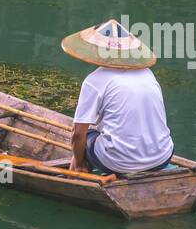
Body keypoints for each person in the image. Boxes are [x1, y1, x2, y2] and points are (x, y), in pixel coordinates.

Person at [61, 19, 174, 176]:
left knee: (87, 136)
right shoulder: (148, 74)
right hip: (162, 157)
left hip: (118, 163)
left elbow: (78, 133)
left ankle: (81, 167)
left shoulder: (94, 80)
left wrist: (78, 162)